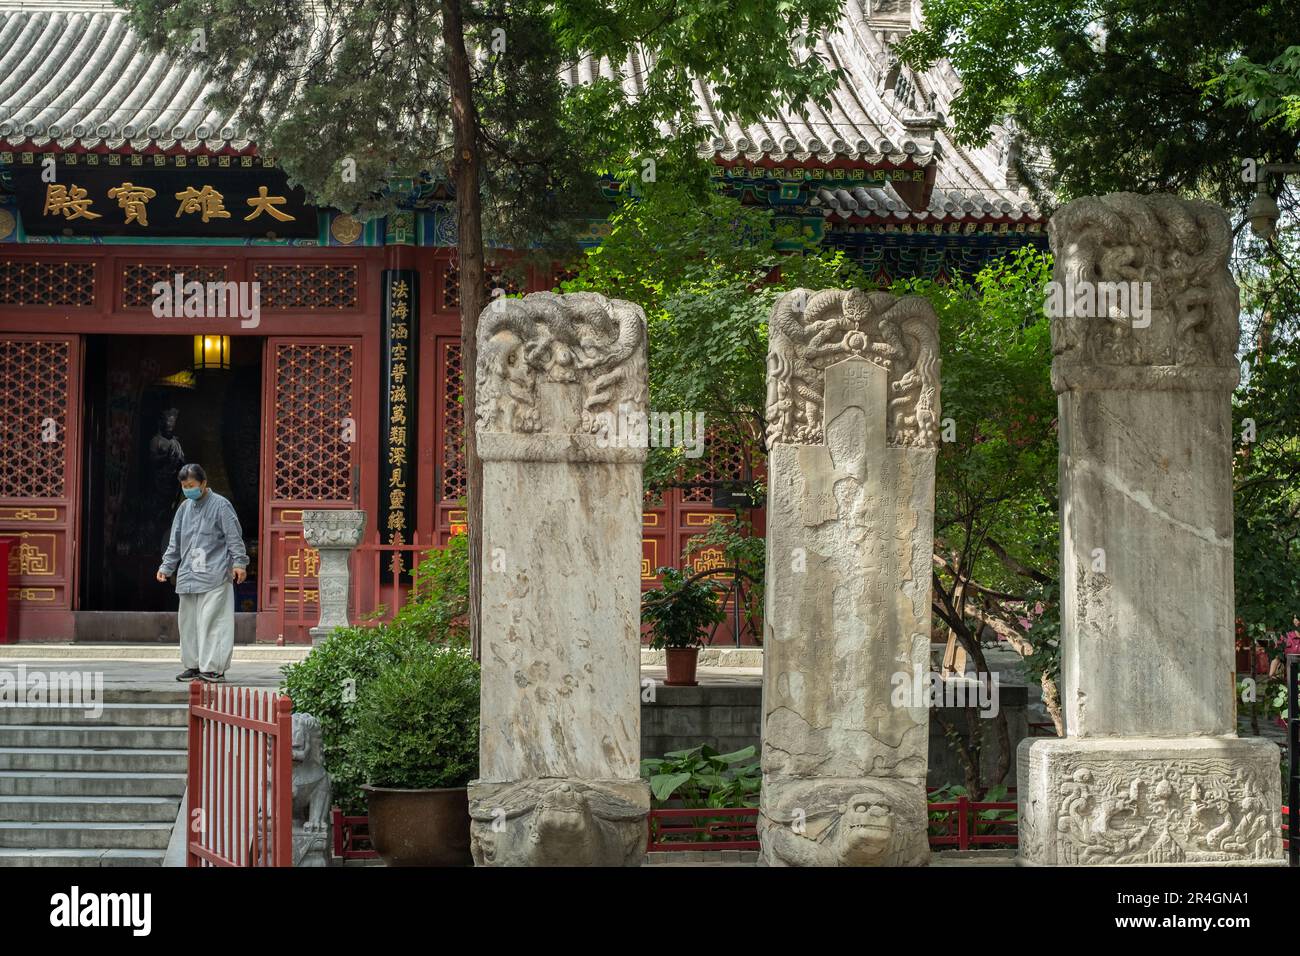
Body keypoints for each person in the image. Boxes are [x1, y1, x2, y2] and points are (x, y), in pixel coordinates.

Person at [156, 463, 249, 682]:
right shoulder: (184, 508)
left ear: (203, 483)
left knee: (213, 622)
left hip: (215, 573)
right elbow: (175, 541)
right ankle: (194, 665)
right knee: (188, 624)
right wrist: (166, 566)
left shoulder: (221, 506)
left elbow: (234, 537)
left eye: (191, 485)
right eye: (184, 486)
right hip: (188, 575)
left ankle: (213, 668)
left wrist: (239, 563)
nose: (188, 489)